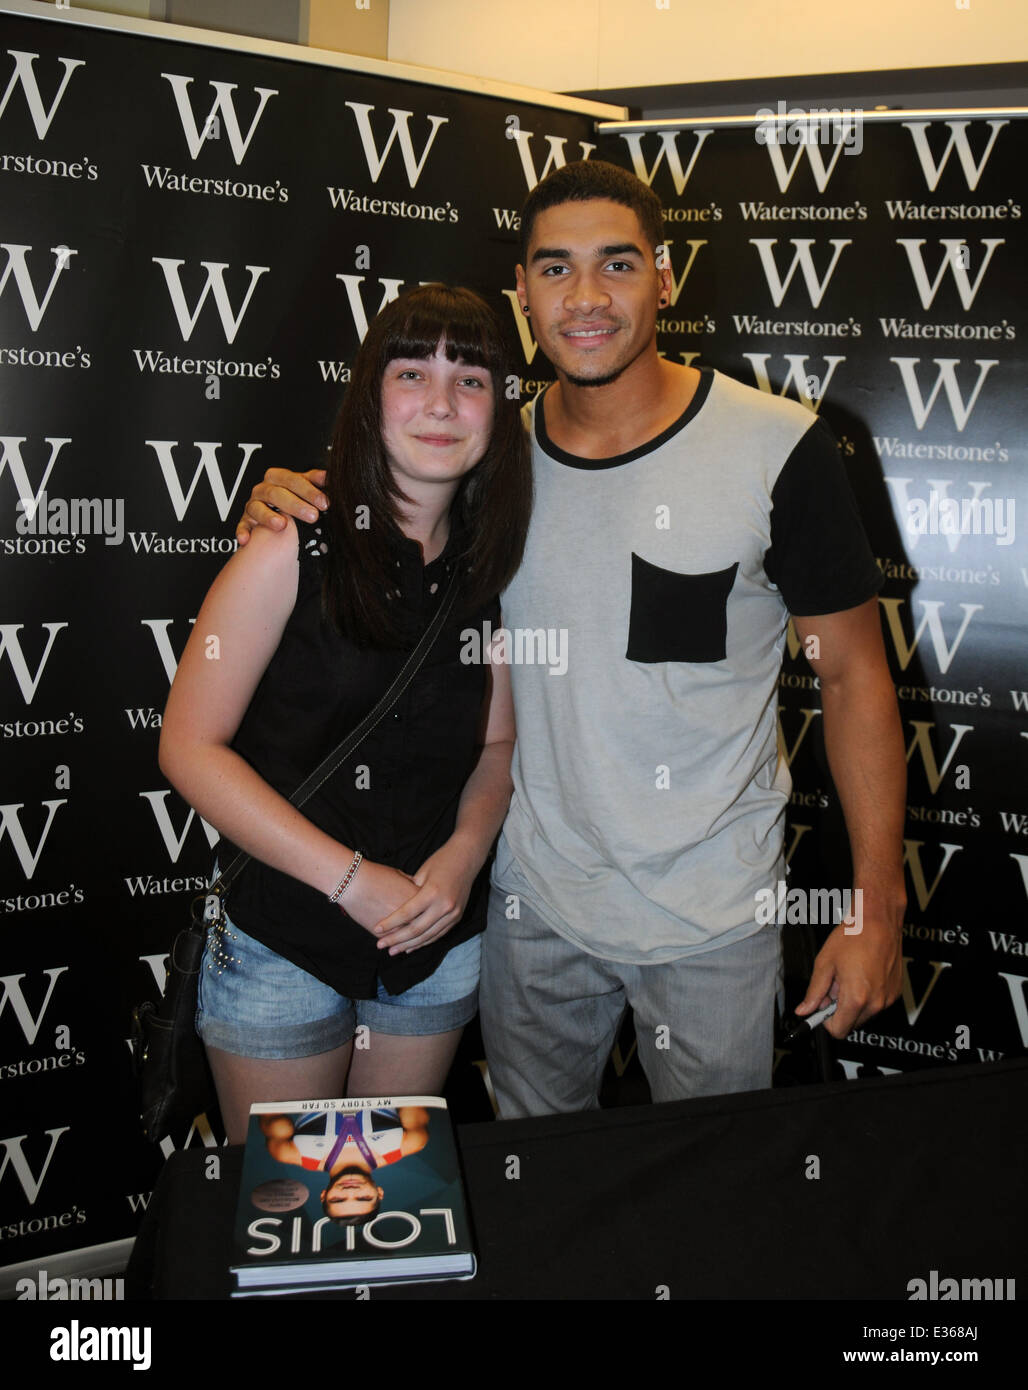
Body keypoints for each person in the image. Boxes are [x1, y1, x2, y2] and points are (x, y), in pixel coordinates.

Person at [237, 161, 906, 1119]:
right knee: (540, 1194)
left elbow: (852, 679)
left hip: (713, 921)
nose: (585, 299)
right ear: (521, 294)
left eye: (617, 266)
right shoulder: (482, 451)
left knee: (710, 1201)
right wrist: (279, 503)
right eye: (554, 270)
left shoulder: (779, 448)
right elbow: (355, 526)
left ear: (665, 277)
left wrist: (875, 905)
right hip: (530, 909)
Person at [159, 284, 531, 1142]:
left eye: (471, 380)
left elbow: (496, 744)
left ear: (498, 410)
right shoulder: (293, 538)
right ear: (370, 395)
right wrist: (351, 882)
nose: (441, 403)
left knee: (387, 1209)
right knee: (292, 1223)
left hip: (434, 949)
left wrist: (462, 861)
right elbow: (189, 745)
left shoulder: (489, 566)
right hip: (284, 945)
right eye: (412, 373)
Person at [259, 1105, 431, 1224]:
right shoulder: (409, 1143)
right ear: (379, 1193)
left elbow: (269, 1104)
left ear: (324, 1195)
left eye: (338, 1199)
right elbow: (412, 1094)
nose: (350, 1191)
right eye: (363, 1197)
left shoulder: (290, 1152)